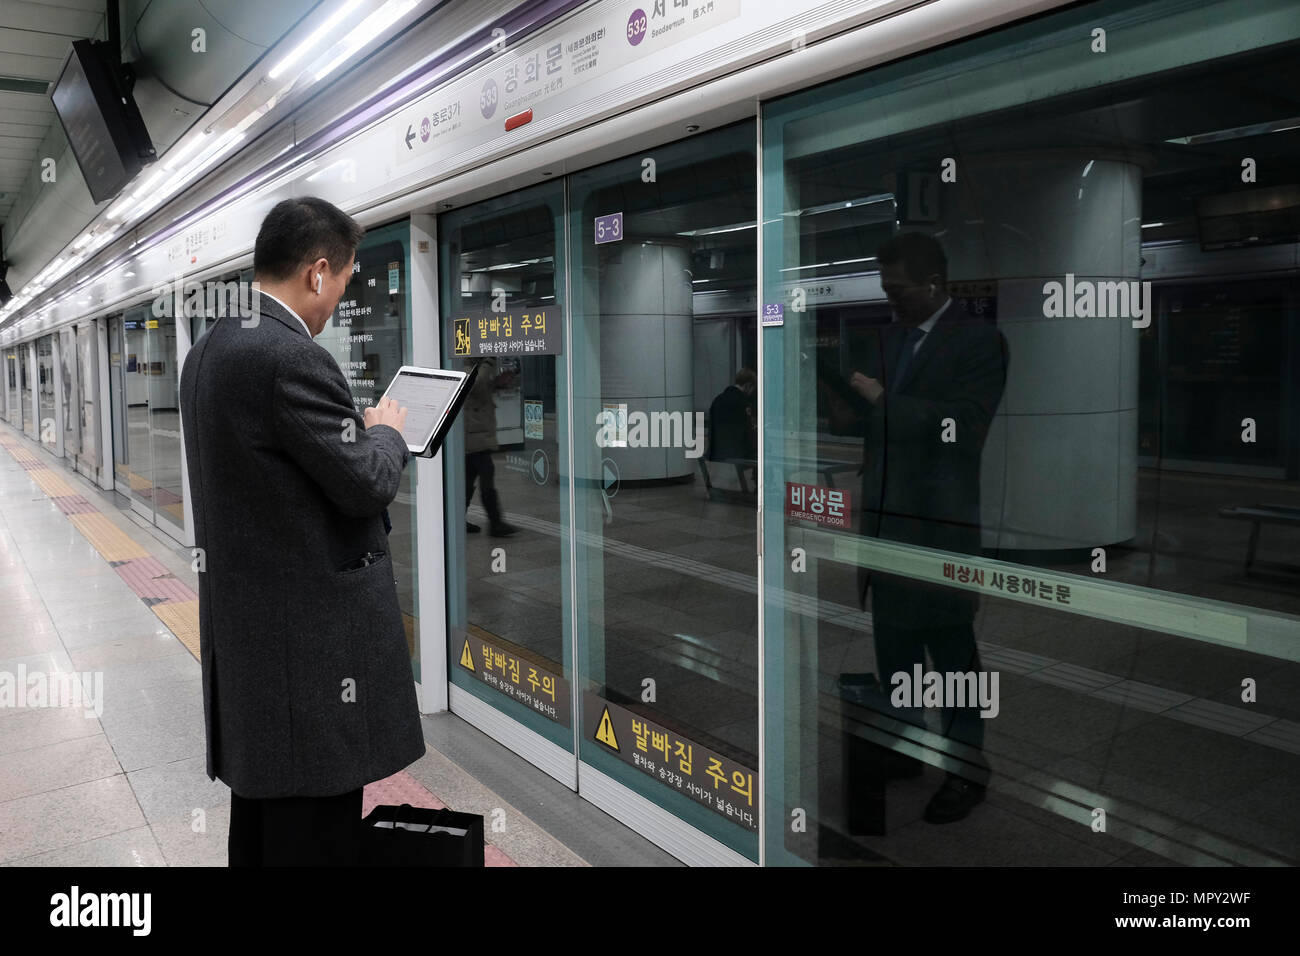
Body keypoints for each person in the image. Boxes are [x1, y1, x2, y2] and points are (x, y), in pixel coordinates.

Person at [179, 196, 424, 866]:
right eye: (342, 287)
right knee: (318, 825)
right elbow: (365, 484)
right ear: (318, 272)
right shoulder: (290, 357)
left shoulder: (210, 348)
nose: (337, 304)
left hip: (253, 641)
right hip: (309, 659)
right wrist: (388, 435)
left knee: (263, 823)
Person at [848, 232, 1008, 824]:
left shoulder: (979, 342)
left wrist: (886, 400)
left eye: (898, 288)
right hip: (888, 526)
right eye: (885, 287)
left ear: (934, 284)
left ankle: (967, 771)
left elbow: (963, 428)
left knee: (953, 663)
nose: (891, 299)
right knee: (896, 654)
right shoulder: (893, 339)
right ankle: (908, 747)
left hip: (939, 532)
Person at [464, 356, 518, 537]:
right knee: (486, 477)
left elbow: (480, 390)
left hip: (477, 434)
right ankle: (496, 523)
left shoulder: (474, 366)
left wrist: (496, 383)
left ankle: (458, 519)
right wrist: (489, 361)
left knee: (467, 481)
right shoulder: (462, 364)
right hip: (474, 436)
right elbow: (476, 385)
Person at [707, 367, 757, 462]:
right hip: (736, 452)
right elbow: (747, 431)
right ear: (748, 385)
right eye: (752, 389)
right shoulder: (743, 403)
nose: (752, 393)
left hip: (716, 450)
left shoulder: (718, 400)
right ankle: (757, 477)